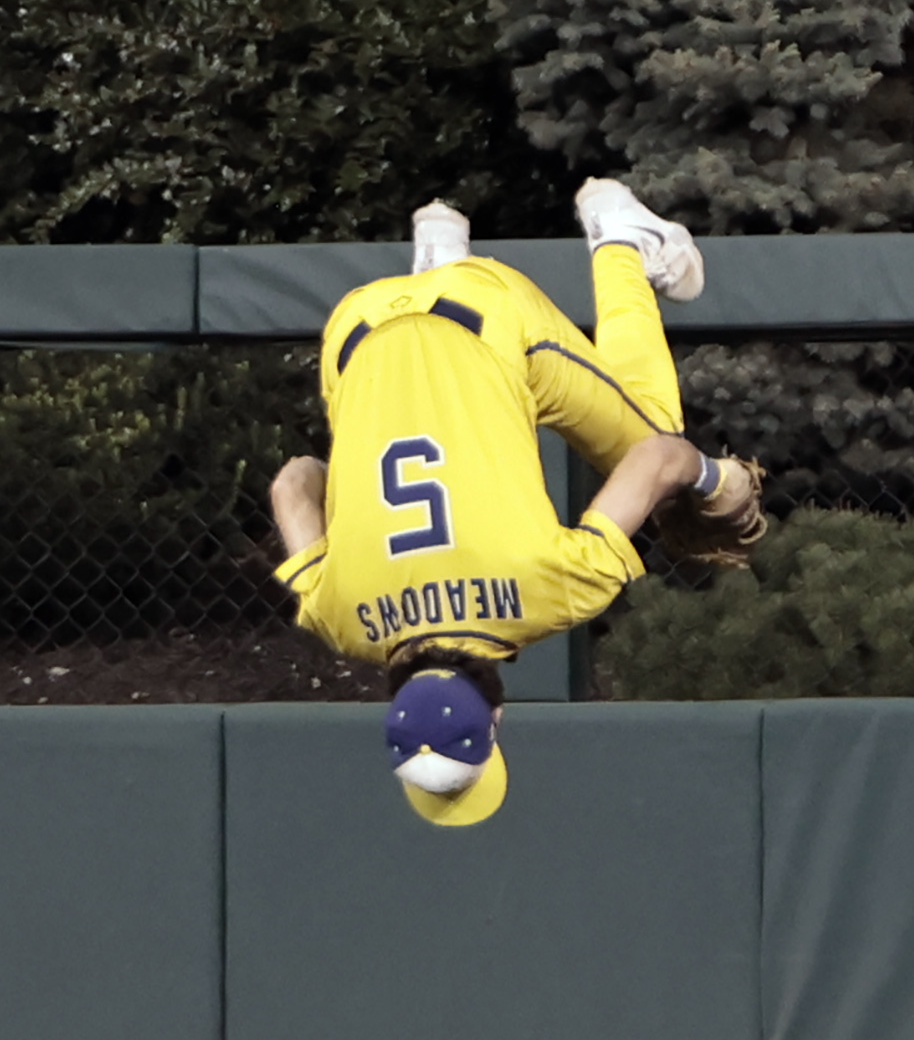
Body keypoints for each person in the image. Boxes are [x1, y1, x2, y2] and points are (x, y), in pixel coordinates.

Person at [267, 180, 763, 826]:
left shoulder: (551, 593)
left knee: (650, 427)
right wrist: (361, 481)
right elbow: (292, 481)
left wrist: (717, 484)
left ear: (496, 717)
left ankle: (621, 238)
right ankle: (437, 254)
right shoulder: (338, 617)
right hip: (354, 334)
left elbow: (657, 459)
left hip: (486, 320)